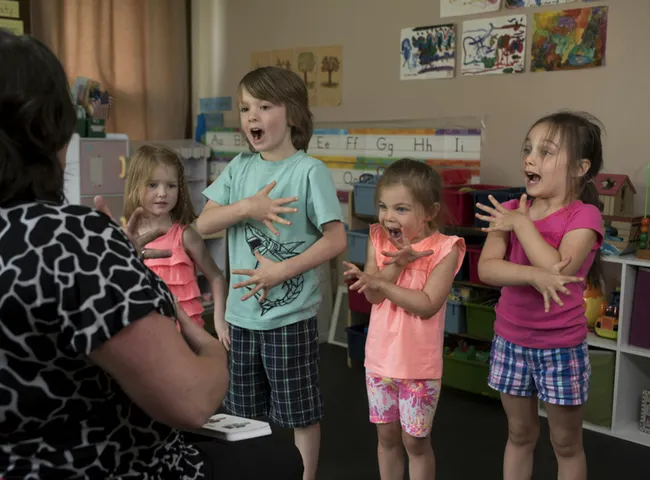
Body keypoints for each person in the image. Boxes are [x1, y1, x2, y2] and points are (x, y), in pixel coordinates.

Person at [0, 28, 302, 479]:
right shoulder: (75, 240)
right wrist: (209, 345)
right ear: (56, 131)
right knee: (276, 455)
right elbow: (192, 400)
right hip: (100, 466)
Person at [196, 66, 347, 480]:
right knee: (242, 413)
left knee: (299, 411)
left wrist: (283, 271)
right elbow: (202, 225)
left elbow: (335, 240)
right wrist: (247, 208)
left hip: (289, 319)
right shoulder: (239, 168)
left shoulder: (308, 170)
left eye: (264, 106)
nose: (252, 117)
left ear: (292, 114)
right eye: (246, 108)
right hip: (241, 319)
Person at [476, 111, 604, 480]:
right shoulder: (512, 210)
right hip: (510, 341)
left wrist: (521, 225)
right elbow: (488, 268)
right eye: (528, 150)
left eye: (545, 152)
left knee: (565, 443)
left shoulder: (585, 216)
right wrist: (531, 272)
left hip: (560, 347)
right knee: (519, 433)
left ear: (580, 167)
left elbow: (558, 270)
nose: (530, 159)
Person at [343, 158, 466, 480]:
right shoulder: (378, 239)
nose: (388, 216)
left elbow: (426, 305)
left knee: (416, 441)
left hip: (419, 368)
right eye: (383, 206)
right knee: (386, 438)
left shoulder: (445, 249)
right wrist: (396, 265)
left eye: (401, 209)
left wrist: (382, 281)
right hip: (379, 362)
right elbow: (372, 296)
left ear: (430, 212)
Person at [123, 144, 229, 346]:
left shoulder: (186, 236)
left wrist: (219, 320)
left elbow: (216, 277)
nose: (163, 193)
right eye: (152, 185)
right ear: (136, 185)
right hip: (144, 339)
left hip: (187, 340)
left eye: (171, 185)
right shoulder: (128, 238)